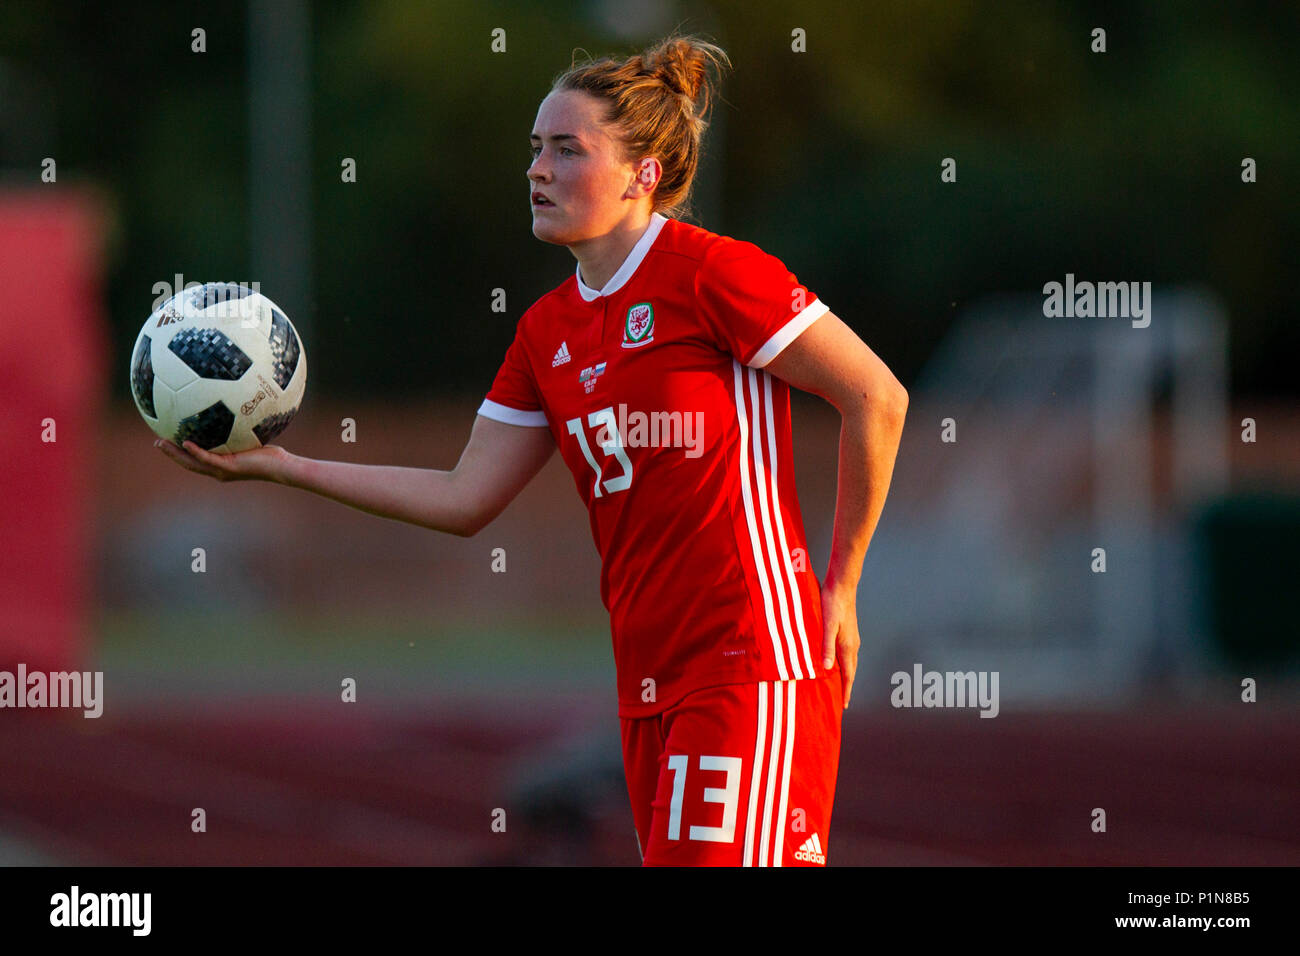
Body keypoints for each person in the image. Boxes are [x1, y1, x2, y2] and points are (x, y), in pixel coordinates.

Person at [157, 34, 908, 866]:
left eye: (565, 149)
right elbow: (463, 497)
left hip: (752, 656)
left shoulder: (712, 274)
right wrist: (285, 468)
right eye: (534, 149)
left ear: (641, 173)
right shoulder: (546, 331)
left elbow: (876, 396)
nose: (536, 169)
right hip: (648, 676)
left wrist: (841, 584)